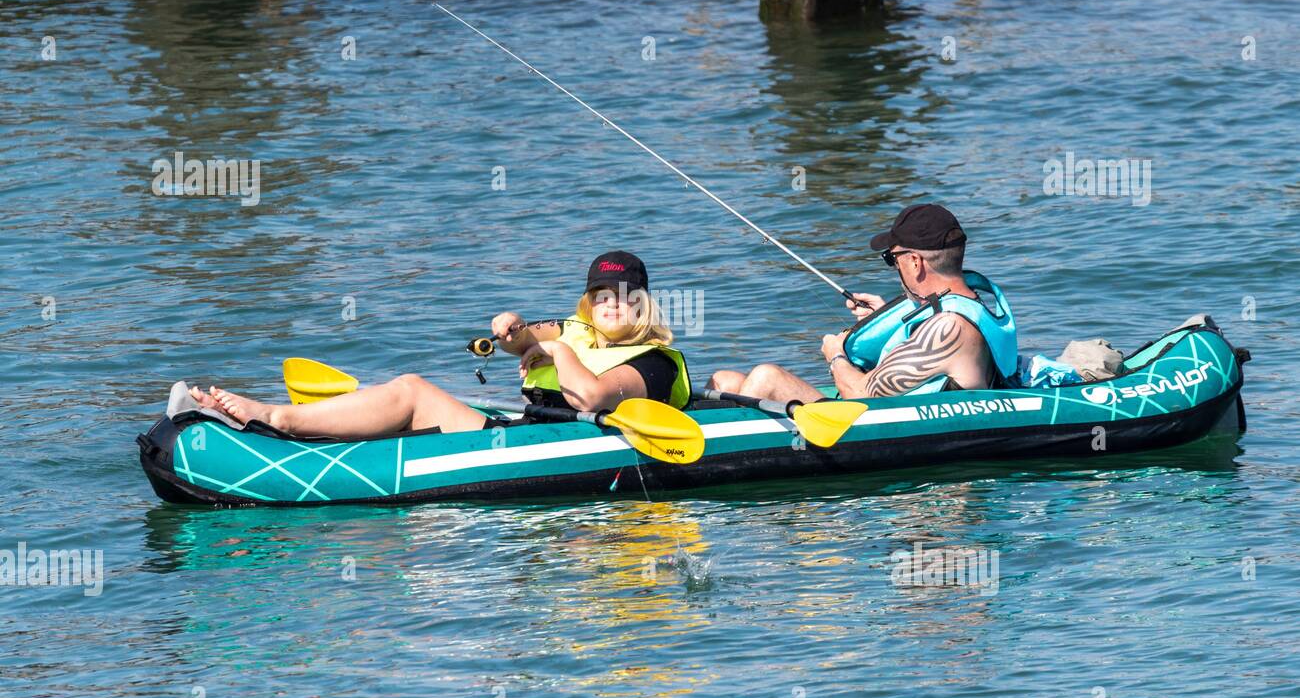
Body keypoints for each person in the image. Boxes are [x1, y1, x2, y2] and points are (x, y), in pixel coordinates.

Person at [193, 251, 691, 438]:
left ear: (643, 304)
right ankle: (290, 422)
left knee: (411, 391)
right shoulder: (576, 329)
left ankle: (276, 418)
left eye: (624, 296)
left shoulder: (655, 363)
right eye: (600, 296)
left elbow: (594, 397)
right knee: (409, 390)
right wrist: (514, 328)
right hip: (523, 430)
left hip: (555, 443)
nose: (611, 305)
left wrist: (557, 355)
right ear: (588, 303)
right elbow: (524, 340)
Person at [708, 204, 1017, 401]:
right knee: (727, 381)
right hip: (871, 420)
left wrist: (835, 355)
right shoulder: (966, 305)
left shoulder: (950, 328)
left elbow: (860, 393)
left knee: (766, 377)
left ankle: (704, 458)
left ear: (914, 262)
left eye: (890, 258)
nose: (894, 267)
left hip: (873, 432)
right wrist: (881, 318)